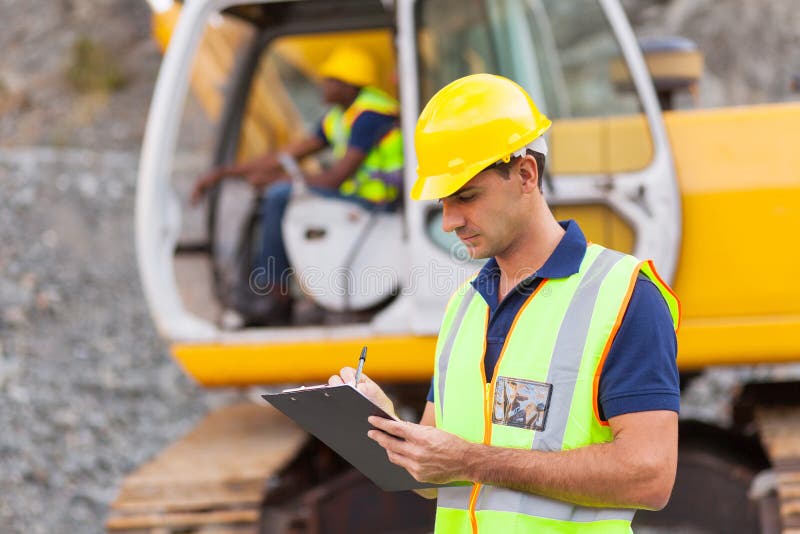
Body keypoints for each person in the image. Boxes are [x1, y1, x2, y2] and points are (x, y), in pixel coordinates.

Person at [329, 74, 680, 533]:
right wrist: (387, 423)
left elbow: (649, 477)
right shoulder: (463, 306)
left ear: (526, 174)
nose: (451, 220)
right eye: (443, 202)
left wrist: (473, 461)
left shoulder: (624, 295)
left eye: (467, 196)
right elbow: (437, 478)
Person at [191, 45, 403, 323]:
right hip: (360, 198)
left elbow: (335, 178)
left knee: (280, 195)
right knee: (279, 194)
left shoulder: (370, 116)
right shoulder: (341, 116)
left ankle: (275, 293)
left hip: (382, 204)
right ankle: (283, 288)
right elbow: (289, 154)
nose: (322, 85)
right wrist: (225, 172)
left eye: (330, 80)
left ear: (349, 85)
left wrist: (277, 180)